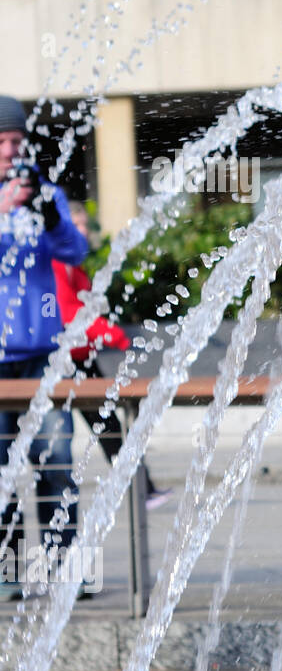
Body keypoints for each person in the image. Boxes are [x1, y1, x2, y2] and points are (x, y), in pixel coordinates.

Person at [0, 95, 90, 598]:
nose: (13, 151)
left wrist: (49, 217)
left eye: (17, 140)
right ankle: (7, 574)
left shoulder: (43, 192)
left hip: (40, 354)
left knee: (55, 459)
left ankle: (63, 570)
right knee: (1, 471)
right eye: (4, 142)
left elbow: (77, 252)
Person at [53, 201, 174, 508]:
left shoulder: (72, 264)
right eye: (75, 225)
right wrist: (113, 334)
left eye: (84, 225)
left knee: (108, 426)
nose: (82, 231)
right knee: (95, 429)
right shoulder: (58, 262)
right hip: (65, 359)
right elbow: (67, 314)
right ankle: (139, 490)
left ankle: (140, 489)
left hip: (80, 357)